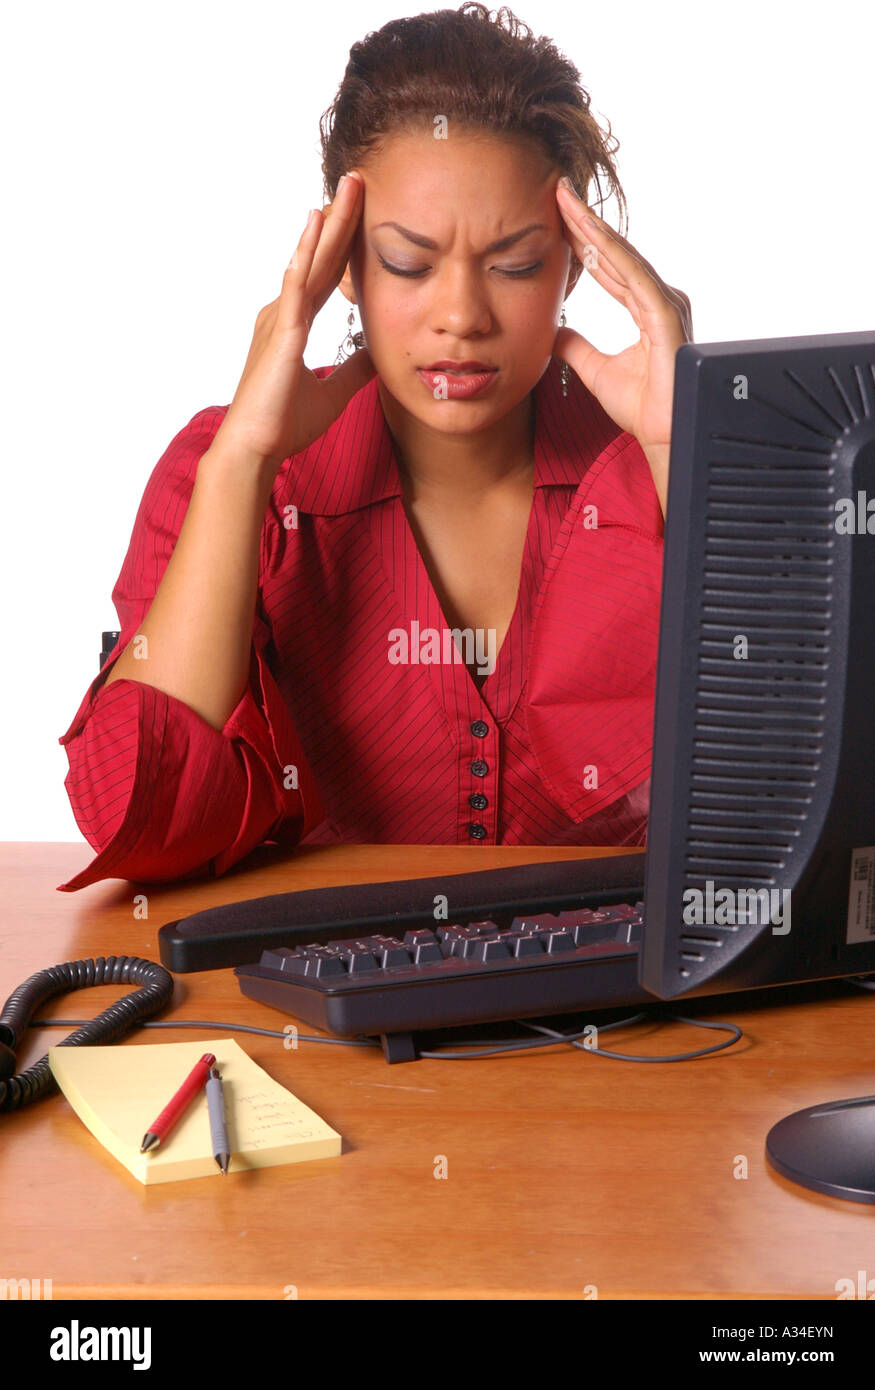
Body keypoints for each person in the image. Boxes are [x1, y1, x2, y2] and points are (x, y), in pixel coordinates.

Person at [56, 3, 691, 893]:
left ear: (576, 268)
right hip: (312, 1017)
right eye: (407, 262)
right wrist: (243, 459)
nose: (462, 316)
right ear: (343, 264)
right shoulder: (230, 474)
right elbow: (142, 822)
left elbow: (786, 804)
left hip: (628, 1017)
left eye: (515, 265)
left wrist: (683, 451)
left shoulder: (660, 462)